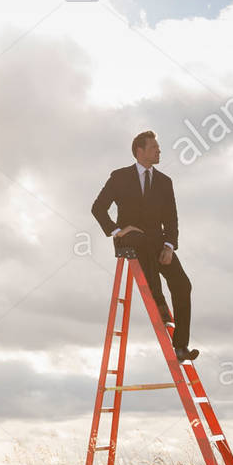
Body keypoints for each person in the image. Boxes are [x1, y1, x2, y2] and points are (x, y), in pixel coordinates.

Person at [90, 129, 198, 361]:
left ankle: (180, 347)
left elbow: (171, 218)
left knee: (183, 285)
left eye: (158, 148)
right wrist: (118, 231)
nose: (159, 151)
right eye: (154, 147)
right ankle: (158, 301)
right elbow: (98, 208)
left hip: (158, 243)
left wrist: (169, 246)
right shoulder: (119, 177)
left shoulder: (164, 182)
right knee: (140, 240)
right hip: (130, 241)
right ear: (139, 151)